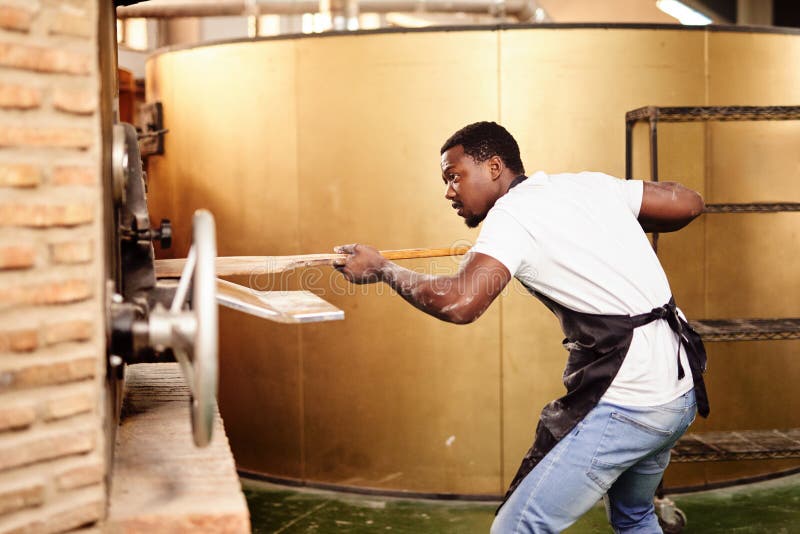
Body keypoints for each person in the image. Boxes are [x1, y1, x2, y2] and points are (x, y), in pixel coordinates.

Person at [333, 121, 709, 533]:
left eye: (454, 176)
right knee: (634, 514)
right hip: (680, 391)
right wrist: (605, 225)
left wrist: (383, 269)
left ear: (495, 166)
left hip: (632, 402)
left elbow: (460, 302)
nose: (448, 192)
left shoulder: (512, 215)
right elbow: (687, 202)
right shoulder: (585, 186)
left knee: (516, 528)